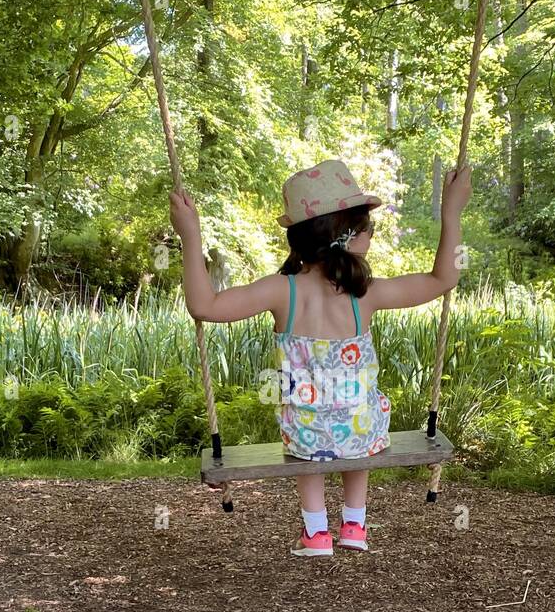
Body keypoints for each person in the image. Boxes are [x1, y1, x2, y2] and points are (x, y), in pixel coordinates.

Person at [171, 157, 472, 556]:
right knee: (357, 419)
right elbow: (443, 279)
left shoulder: (282, 291)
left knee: (310, 431)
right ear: (346, 237)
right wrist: (452, 211)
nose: (372, 239)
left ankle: (316, 532)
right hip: (363, 432)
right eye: (369, 231)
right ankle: (354, 524)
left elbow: (204, 306)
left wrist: (191, 236)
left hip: (306, 434)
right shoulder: (368, 293)